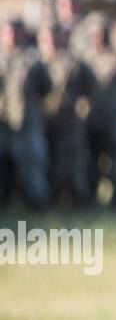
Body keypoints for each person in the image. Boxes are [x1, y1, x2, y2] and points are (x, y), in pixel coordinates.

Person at [82, 12, 116, 207]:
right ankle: (91, 198)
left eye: (102, 32)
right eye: (95, 33)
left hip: (114, 118)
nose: (99, 37)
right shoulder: (84, 60)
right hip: (91, 118)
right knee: (91, 160)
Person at [37, 24, 95, 207]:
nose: (52, 42)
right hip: (45, 120)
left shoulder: (75, 62)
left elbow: (92, 88)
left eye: (55, 37)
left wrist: (84, 108)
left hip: (69, 121)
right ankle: (51, 197)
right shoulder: (36, 62)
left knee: (72, 162)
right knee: (46, 160)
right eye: (47, 38)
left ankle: (78, 198)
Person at [0, 19, 52, 210]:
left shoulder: (33, 59)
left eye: (15, 32)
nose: (12, 36)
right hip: (4, 124)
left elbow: (47, 87)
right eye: (8, 32)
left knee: (32, 166)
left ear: (22, 33)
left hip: (28, 123)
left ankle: (37, 205)